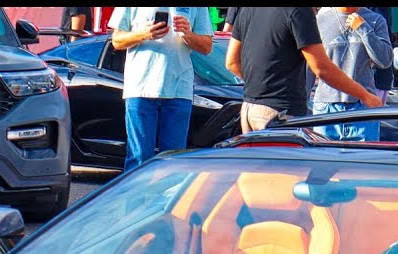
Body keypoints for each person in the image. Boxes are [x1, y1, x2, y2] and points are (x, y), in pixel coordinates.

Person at [226, 8, 381, 133]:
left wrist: (263, 85)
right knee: (286, 171)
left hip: (249, 110)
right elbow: (321, 68)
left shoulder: (247, 9)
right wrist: (364, 95)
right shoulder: (299, 10)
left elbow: (232, 62)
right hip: (279, 114)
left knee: (260, 171)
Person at [109, 7, 213, 172]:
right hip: (141, 88)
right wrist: (143, 34)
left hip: (179, 90)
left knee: (174, 160)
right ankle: (137, 198)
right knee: (140, 157)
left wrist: (188, 34)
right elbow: (116, 40)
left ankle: (168, 198)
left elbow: (207, 47)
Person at [313, 7, 393, 141]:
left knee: (364, 160)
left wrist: (363, 29)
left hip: (363, 106)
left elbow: (385, 60)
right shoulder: (320, 21)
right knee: (325, 160)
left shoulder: (375, 20)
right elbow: (310, 65)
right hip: (326, 108)